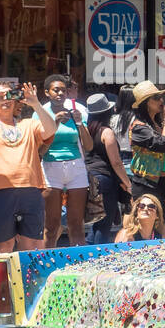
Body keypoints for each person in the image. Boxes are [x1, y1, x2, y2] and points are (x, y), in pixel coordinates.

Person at [0, 82, 57, 256]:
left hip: (31, 188)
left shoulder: (28, 124)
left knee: (32, 244)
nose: (5, 99)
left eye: (9, 95)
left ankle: (26, 275)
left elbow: (51, 130)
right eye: (0, 96)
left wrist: (36, 104)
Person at [39, 74, 94, 248]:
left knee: (76, 224)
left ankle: (80, 262)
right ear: (47, 92)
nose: (60, 93)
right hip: (50, 167)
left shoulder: (76, 111)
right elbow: (39, 150)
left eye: (63, 90)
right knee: (51, 226)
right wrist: (54, 124)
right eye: (56, 90)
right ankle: (46, 260)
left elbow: (89, 146)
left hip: (75, 167)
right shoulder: (40, 114)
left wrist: (79, 123)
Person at [127, 81, 165, 221]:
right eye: (156, 98)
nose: (161, 101)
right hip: (147, 184)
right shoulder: (139, 128)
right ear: (145, 103)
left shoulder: (156, 125)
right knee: (146, 223)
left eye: (161, 97)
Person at [83, 93, 132, 244]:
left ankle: (90, 250)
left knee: (97, 221)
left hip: (88, 177)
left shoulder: (85, 131)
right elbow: (116, 162)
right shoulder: (106, 132)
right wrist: (128, 184)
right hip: (104, 179)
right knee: (104, 223)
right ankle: (99, 253)